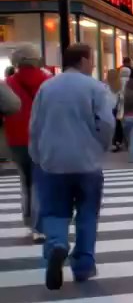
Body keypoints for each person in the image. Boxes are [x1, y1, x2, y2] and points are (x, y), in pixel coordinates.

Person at [29, 43, 115, 289]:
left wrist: (38, 154)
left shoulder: (46, 87)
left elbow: (35, 126)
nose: (94, 64)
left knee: (55, 211)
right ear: (83, 61)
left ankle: (56, 244)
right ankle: (83, 264)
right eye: (92, 59)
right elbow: (107, 123)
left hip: (53, 161)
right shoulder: (95, 88)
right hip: (87, 161)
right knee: (87, 213)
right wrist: (100, 147)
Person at [4, 44, 51, 242]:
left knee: (26, 181)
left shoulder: (6, 84)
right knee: (41, 181)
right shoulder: (49, 82)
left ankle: (29, 221)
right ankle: (40, 223)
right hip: (43, 137)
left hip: (16, 138)